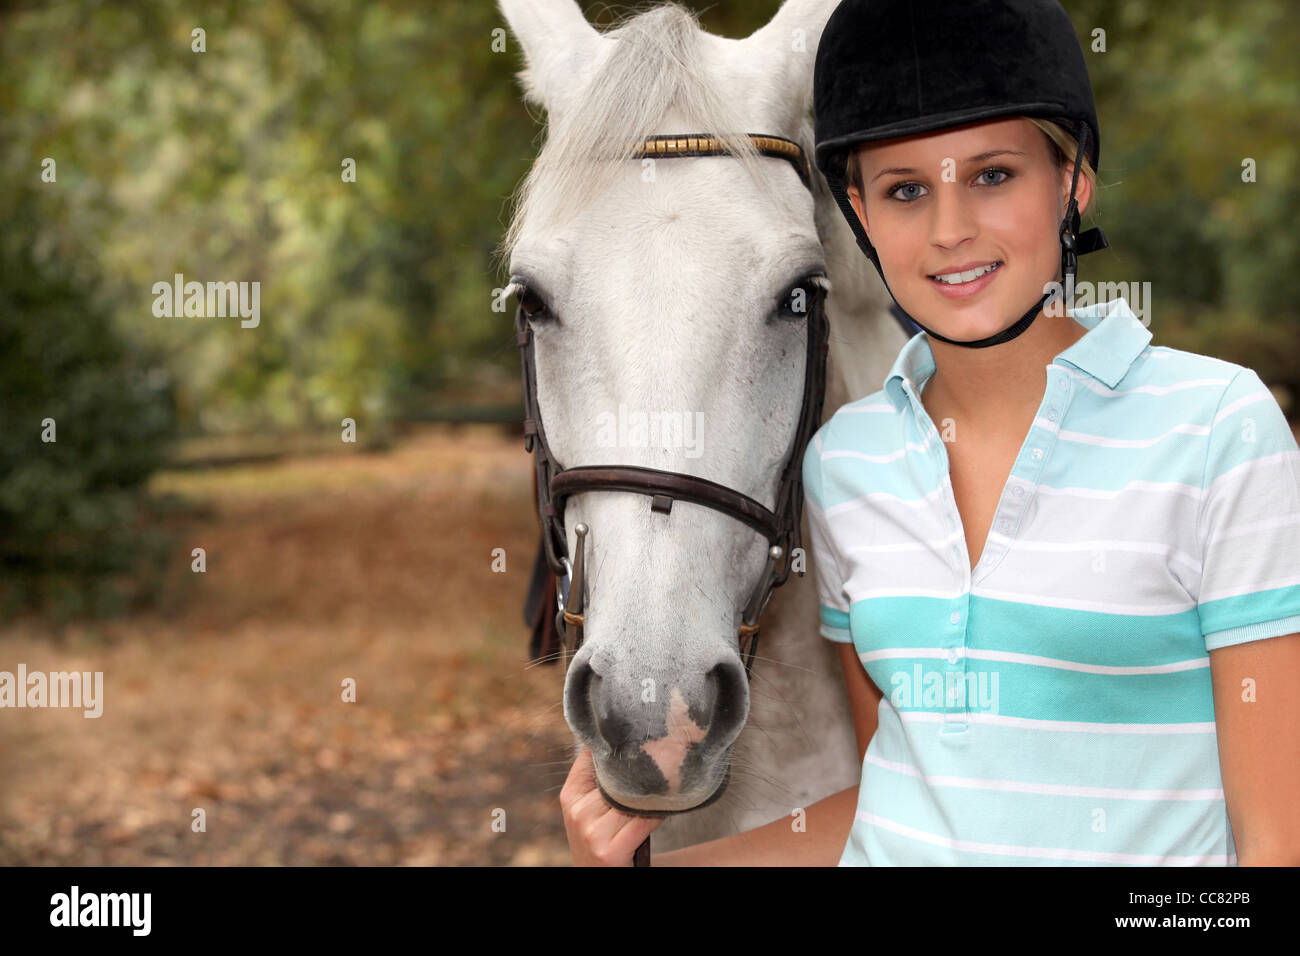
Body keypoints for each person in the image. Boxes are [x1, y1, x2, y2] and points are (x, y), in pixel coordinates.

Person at [561, 0, 1300, 866]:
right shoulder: (844, 463)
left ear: (1074, 181)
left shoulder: (1220, 428)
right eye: (906, 189)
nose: (950, 230)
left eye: (992, 175)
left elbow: (1273, 840)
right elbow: (902, 801)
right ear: (860, 217)